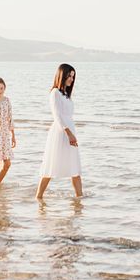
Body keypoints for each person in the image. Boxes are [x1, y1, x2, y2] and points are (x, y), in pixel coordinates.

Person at [36, 63, 83, 199]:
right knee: (51, 165)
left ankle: (79, 198)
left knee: (75, 166)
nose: (71, 79)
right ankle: (38, 197)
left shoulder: (66, 94)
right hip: (61, 132)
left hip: (70, 131)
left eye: (73, 77)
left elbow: (67, 116)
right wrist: (69, 133)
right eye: (69, 76)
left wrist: (71, 133)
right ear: (62, 76)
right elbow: (57, 116)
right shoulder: (55, 93)